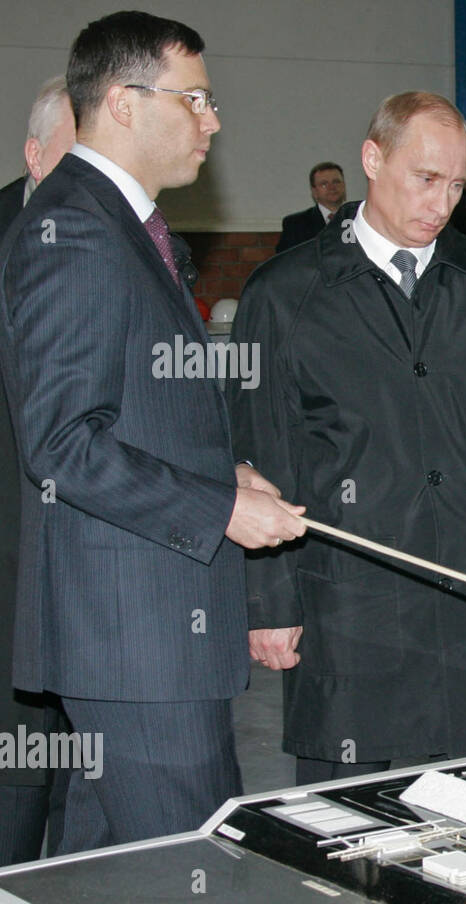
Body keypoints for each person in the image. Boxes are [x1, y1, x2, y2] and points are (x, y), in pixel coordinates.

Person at [0, 10, 305, 858]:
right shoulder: (78, 232)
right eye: (196, 99)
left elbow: (130, 412)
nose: (213, 120)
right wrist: (217, 509)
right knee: (195, 890)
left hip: (148, 634)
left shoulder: (120, 224)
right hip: (134, 642)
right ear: (127, 104)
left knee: (121, 899)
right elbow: (61, 443)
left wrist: (227, 473)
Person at [228, 92, 466, 783]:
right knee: (350, 838)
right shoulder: (284, 294)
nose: (442, 202)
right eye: (425, 179)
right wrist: (269, 603)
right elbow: (258, 453)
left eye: (456, 185)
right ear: (372, 158)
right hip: (349, 614)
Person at [0, 74, 75, 904]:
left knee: (77, 799)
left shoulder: (133, 243)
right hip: (12, 577)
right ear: (34, 157)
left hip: (90, 585)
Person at [275, 161, 346, 253]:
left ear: (344, 186)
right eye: (324, 184)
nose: (332, 187)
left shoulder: (357, 218)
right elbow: (286, 261)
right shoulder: (295, 224)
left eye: (336, 182)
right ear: (314, 191)